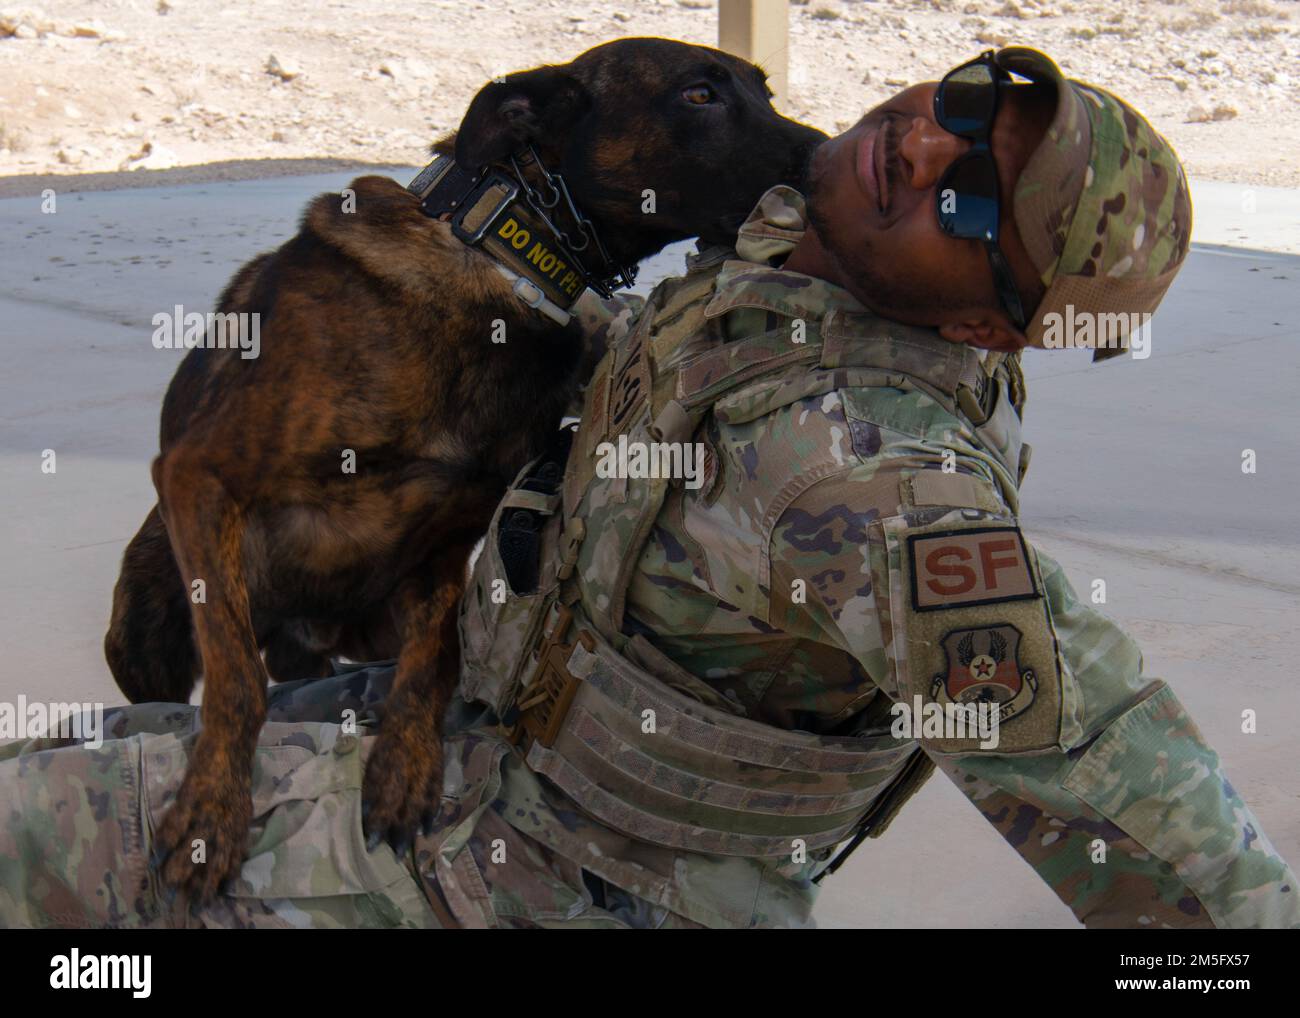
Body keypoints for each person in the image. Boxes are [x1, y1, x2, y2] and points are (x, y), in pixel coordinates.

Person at [2, 47, 1295, 929]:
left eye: (975, 209)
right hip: (482, 745)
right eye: (964, 106)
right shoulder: (794, 253)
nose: (924, 150)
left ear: (992, 331)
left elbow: (1116, 769)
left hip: (528, 879)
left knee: (22, 830)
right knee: (54, 750)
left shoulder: (868, 475)